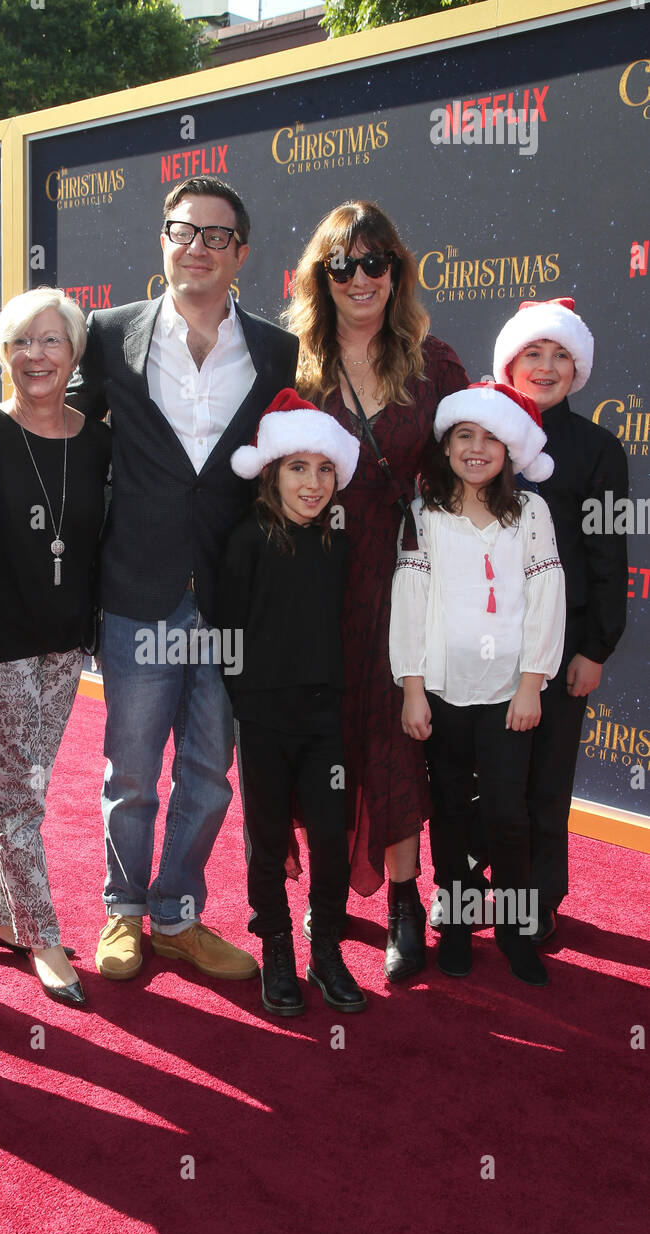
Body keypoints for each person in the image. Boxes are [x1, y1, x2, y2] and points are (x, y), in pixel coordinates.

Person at [69, 176, 298, 984]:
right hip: (138, 589)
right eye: (180, 230)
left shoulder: (277, 350)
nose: (194, 245)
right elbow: (64, 432)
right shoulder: (108, 334)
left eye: (213, 235)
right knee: (129, 770)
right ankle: (122, 913)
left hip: (231, 597)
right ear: (162, 240)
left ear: (241, 253)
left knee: (208, 770)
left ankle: (176, 914)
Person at [284, 200, 468, 982]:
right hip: (315, 584)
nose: (360, 278)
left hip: (403, 583)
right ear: (320, 278)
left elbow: (469, 473)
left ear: (397, 271)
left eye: (375, 262)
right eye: (342, 265)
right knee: (322, 740)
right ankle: (327, 896)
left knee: (395, 741)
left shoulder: (435, 366)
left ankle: (404, 902)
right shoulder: (289, 364)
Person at [390, 382, 566, 985]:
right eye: (465, 435)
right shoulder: (424, 515)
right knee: (450, 813)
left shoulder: (532, 514)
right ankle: (459, 927)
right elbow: (410, 602)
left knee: (507, 816)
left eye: (492, 437)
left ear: (510, 449)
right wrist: (413, 687)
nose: (477, 448)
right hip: (442, 692)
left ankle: (518, 935)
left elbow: (546, 598)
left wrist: (531, 683)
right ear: (446, 446)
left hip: (507, 698)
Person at [0, 288, 110, 1008]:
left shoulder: (97, 439)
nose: (36, 355)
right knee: (19, 795)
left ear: (74, 353)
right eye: (21, 342)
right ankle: (41, 935)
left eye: (51, 341)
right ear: (3, 355)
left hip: (66, 643)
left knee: (26, 787)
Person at [217, 389, 364, 1015]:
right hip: (263, 716)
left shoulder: (341, 540)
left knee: (332, 831)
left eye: (324, 468)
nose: (312, 482)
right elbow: (227, 626)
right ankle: (275, 941)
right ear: (271, 471)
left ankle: (325, 941)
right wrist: (245, 697)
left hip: (327, 715)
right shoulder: (246, 541)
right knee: (267, 835)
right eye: (298, 468)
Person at [492, 299, 629, 944]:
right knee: (479, 775)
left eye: (561, 356)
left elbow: (608, 555)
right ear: (509, 361)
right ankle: (475, 894)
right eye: (533, 353)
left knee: (546, 779)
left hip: (562, 644)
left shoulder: (598, 448)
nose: (546, 368)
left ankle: (539, 899)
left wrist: (596, 647)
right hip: (478, 642)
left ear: (579, 368)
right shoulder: (480, 436)